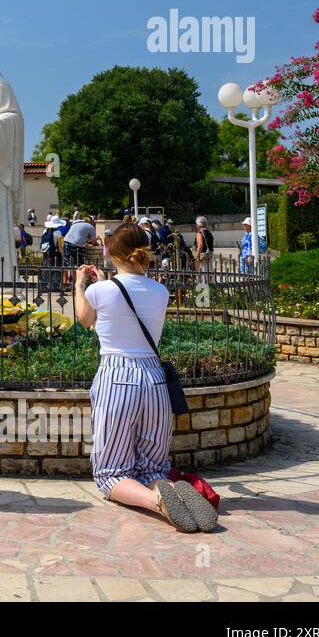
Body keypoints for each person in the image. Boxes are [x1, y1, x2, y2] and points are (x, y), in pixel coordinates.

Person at [74, 223, 216, 533]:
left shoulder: (100, 290)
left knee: (111, 473)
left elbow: (86, 320)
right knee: (153, 466)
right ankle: (166, 487)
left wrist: (79, 285)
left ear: (110, 252)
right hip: (154, 380)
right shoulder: (161, 291)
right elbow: (129, 305)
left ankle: (158, 502)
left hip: (118, 377)